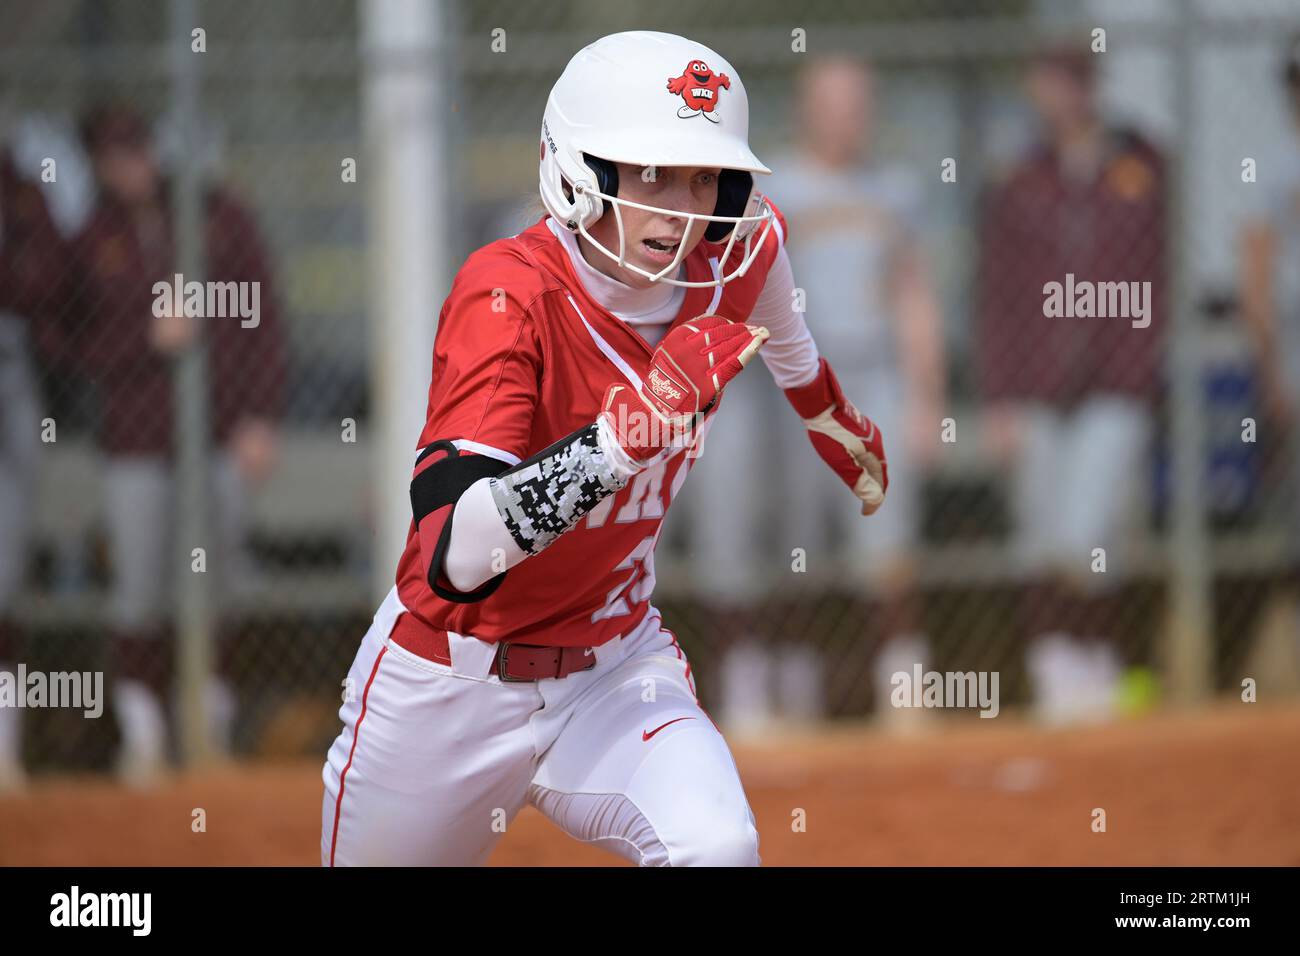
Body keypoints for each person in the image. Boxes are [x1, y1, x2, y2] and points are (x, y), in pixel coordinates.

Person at [321, 31, 888, 867]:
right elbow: (453, 552)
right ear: (579, 168)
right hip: (452, 680)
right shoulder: (508, 293)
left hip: (613, 668)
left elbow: (784, 326)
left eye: (704, 177)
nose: (682, 204)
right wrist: (624, 438)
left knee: (718, 846)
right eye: (652, 171)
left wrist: (827, 415)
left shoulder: (737, 251)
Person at [68, 103, 284, 780]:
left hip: (218, 433)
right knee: (139, 587)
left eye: (137, 151)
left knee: (219, 577)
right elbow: (69, 347)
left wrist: (260, 415)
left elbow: (263, 317)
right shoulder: (91, 237)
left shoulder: (215, 214)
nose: (130, 168)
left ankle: (209, 728)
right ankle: (145, 737)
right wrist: (143, 340)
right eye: (114, 156)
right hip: (136, 437)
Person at [976, 44, 1167, 724]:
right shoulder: (1019, 176)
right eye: (1050, 81)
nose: (1062, 95)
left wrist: (1144, 360)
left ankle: (1103, 658)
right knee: (1040, 534)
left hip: (1115, 379)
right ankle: (1057, 667)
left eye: (1075, 81)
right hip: (1033, 383)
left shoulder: (1141, 163)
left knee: (1089, 534)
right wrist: (996, 394)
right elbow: (994, 291)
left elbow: (1163, 270)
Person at [771, 55, 946, 725]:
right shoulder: (774, 188)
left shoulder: (894, 189)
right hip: (792, 383)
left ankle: (905, 693)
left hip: (874, 378)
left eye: (858, 105)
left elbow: (914, 293)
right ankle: (793, 698)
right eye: (834, 105)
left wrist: (927, 397)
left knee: (888, 542)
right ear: (806, 110)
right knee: (797, 542)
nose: (848, 120)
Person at [0, 146, 67, 790]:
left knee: (6, 572)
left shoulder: (22, 191)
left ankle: (4, 748)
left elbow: (48, 282)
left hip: (14, 361)